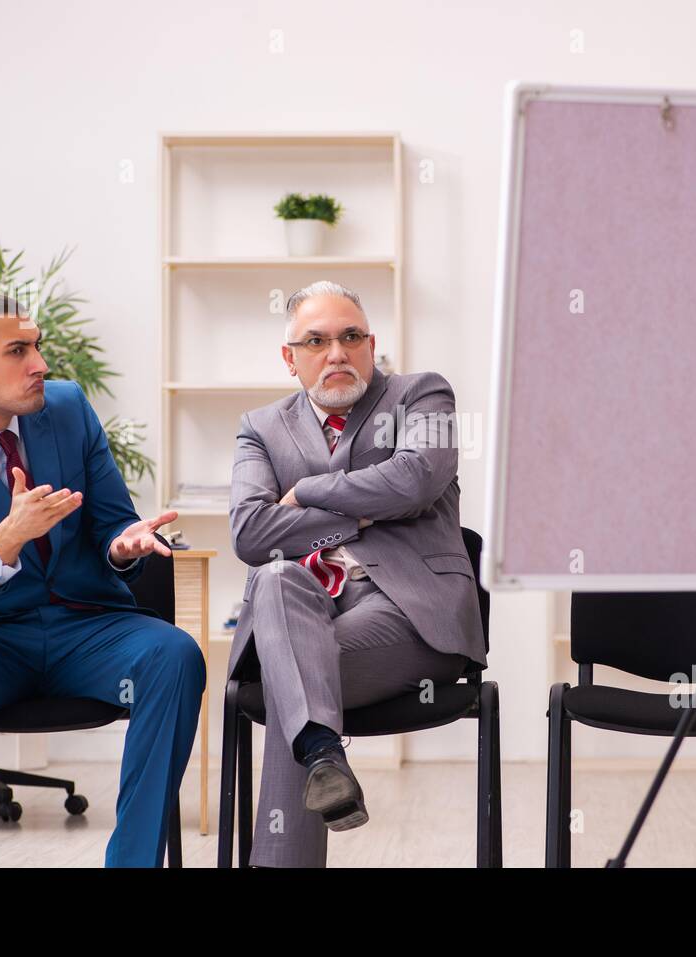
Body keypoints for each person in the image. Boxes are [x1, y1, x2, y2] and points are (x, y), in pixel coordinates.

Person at [0, 290, 205, 867]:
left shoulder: (68, 409)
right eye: (19, 351)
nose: (41, 365)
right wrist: (5, 540)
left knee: (174, 654)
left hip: (83, 629)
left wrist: (125, 546)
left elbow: (112, 520)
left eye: (38, 347)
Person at [228, 279, 486, 867]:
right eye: (316, 341)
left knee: (288, 680)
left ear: (371, 345)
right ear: (289, 359)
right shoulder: (260, 427)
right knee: (273, 580)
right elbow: (249, 535)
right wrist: (367, 508)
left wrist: (305, 493)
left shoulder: (424, 396)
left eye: (350, 337)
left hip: (411, 612)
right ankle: (323, 752)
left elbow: (419, 478)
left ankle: (302, 781)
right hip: (302, 611)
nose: (337, 353)